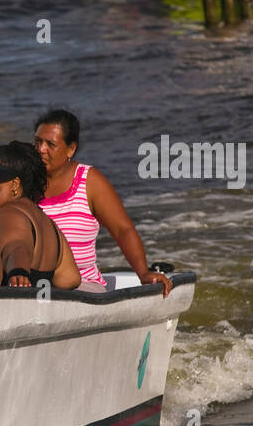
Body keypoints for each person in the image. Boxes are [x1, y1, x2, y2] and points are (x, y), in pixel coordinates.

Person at [33, 109, 172, 296]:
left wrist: (143, 273)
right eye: (37, 142)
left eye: (50, 144)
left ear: (70, 149)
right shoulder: (24, 181)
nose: (41, 149)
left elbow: (123, 230)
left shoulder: (89, 181)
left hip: (82, 287)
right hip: (33, 286)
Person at [0, 142, 81, 290]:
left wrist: (18, 271)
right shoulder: (49, 224)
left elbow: (17, 247)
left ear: (14, 184)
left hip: (10, 309)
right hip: (39, 307)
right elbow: (70, 279)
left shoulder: (6, 214)